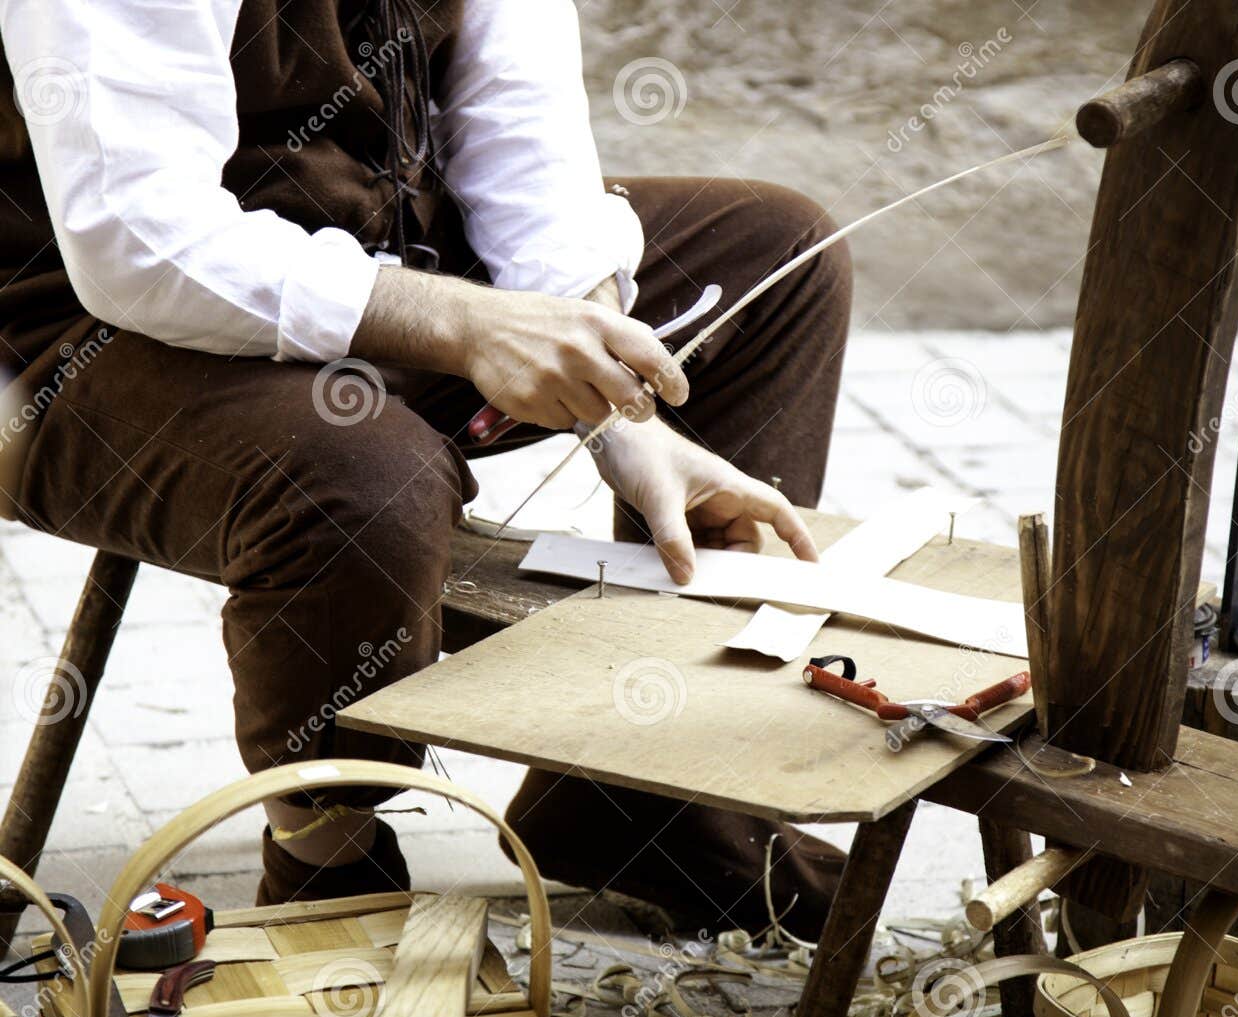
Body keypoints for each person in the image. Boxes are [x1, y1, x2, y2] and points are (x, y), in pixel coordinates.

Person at [0, 0, 850, 936]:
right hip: (69, 339)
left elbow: (522, 135)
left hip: (381, 264)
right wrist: (469, 325)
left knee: (780, 256)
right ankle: (326, 858)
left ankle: (660, 804)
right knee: (364, 475)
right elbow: (134, 236)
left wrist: (621, 404)